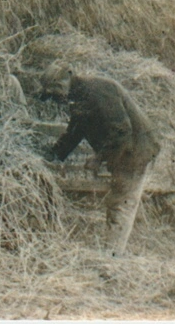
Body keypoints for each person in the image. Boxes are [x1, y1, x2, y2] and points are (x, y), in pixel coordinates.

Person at [39, 63, 161, 256]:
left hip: (135, 149)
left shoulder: (96, 91)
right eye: (52, 96)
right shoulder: (78, 96)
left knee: (120, 203)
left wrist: (99, 157)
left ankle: (112, 259)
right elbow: (75, 132)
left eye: (56, 92)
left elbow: (121, 130)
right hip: (124, 149)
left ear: (68, 77)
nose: (56, 99)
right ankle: (113, 251)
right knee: (120, 202)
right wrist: (53, 155)